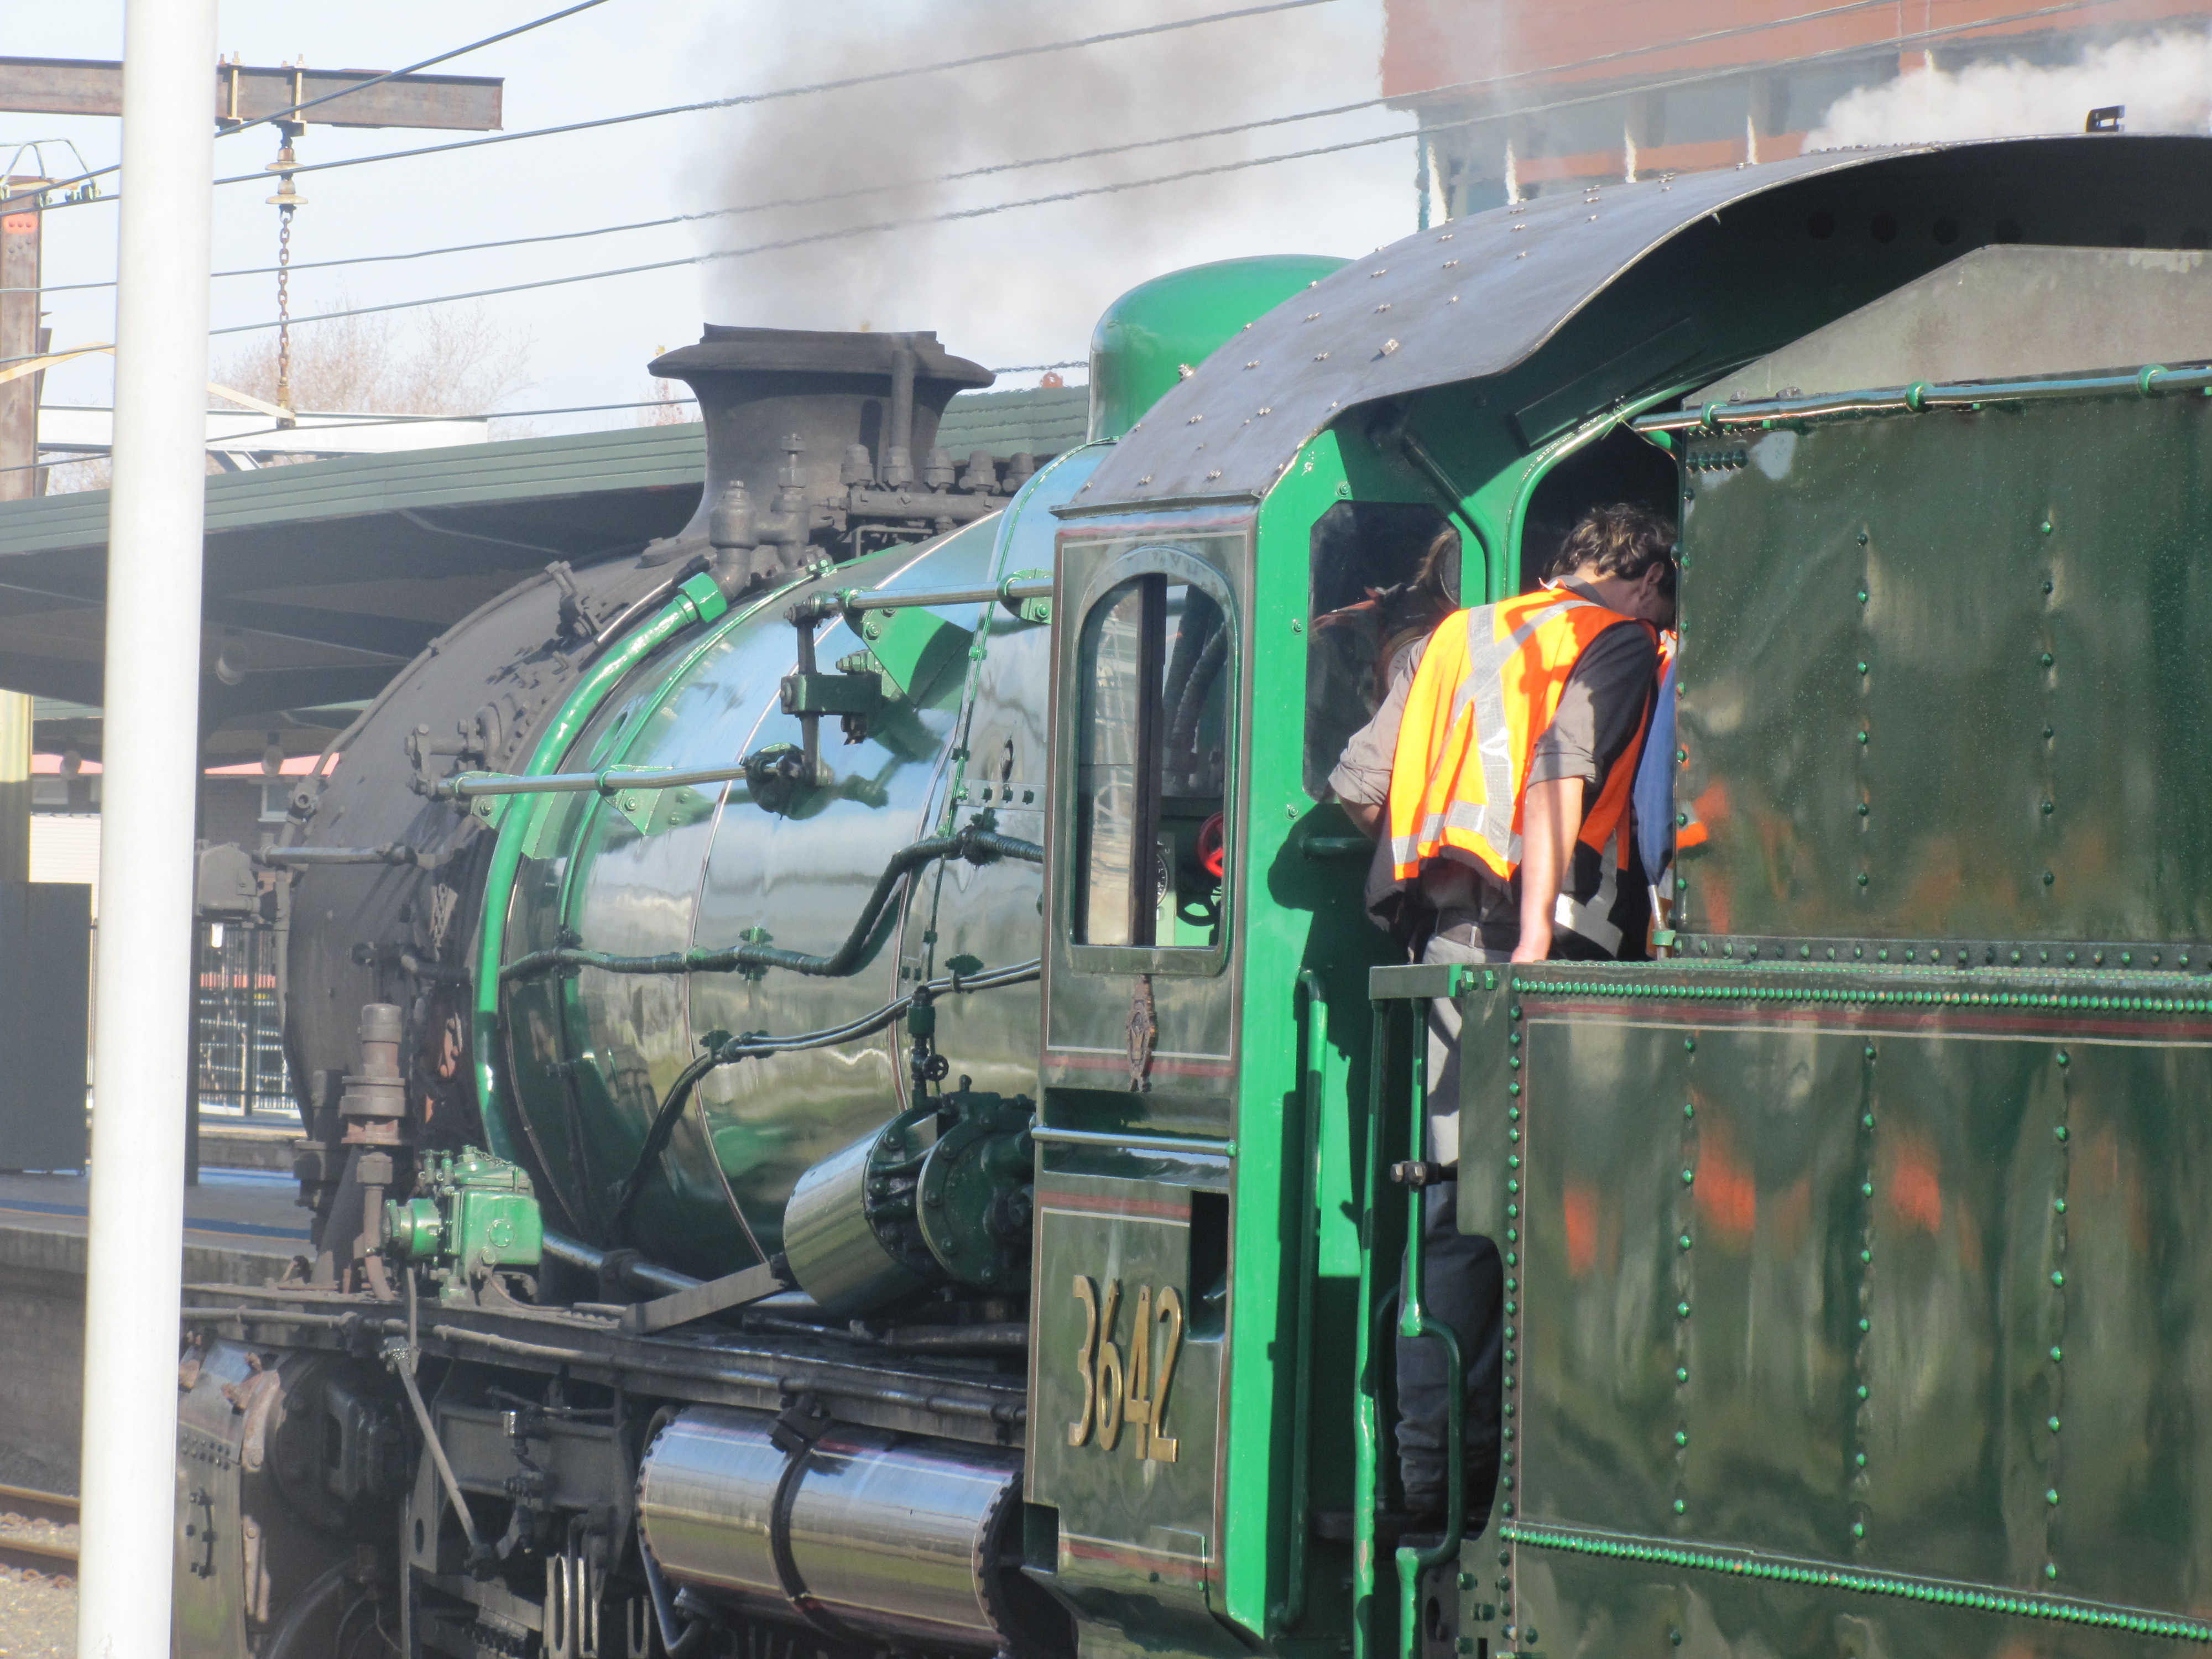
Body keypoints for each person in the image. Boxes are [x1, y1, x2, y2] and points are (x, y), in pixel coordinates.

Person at [1329, 502, 1677, 1527]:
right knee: (1528, 1229)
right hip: (1552, 962)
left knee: (1453, 1220)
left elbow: (1360, 786)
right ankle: (1484, 1487)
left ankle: (1432, 1476)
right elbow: (1560, 769)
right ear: (1650, 579)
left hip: (1443, 951)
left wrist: (1430, 860)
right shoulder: (1616, 642)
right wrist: (1531, 939)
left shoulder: (1457, 636)